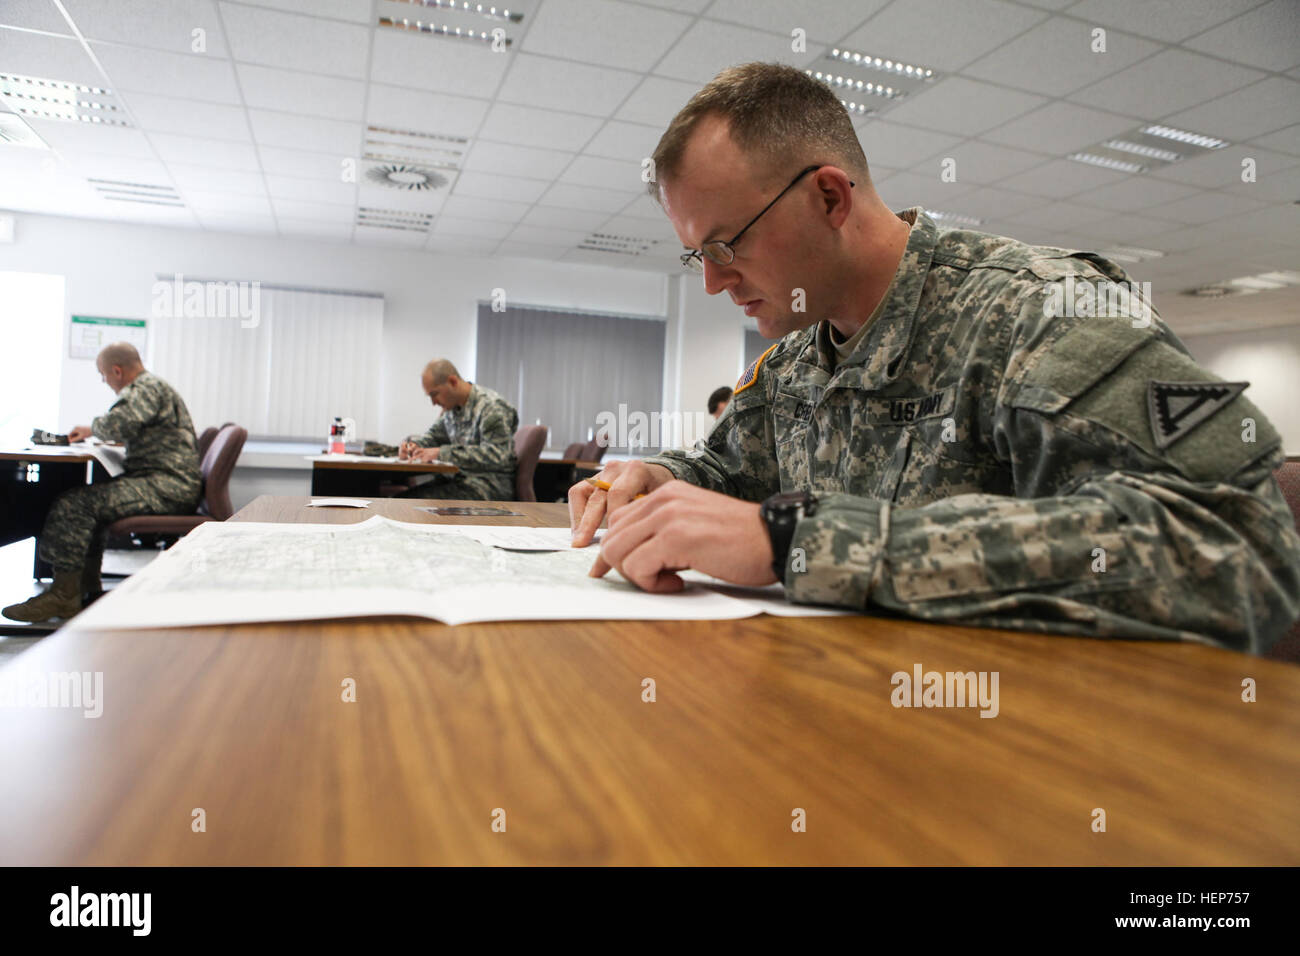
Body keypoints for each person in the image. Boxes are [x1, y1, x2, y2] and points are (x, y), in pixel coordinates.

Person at [568, 62, 1300, 654]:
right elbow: (729, 469)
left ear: (828, 196)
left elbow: (1242, 550)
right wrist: (658, 479)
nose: (713, 280)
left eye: (727, 245)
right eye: (698, 253)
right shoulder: (798, 358)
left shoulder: (1043, 313)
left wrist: (802, 541)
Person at [4, 343, 201, 623]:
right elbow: (131, 426)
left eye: (103, 375)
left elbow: (119, 424)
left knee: (75, 504)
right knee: (86, 501)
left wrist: (93, 427)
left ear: (117, 371)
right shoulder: (153, 387)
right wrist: (93, 430)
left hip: (166, 486)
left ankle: (63, 595)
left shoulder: (144, 388)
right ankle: (84, 588)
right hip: (167, 482)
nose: (105, 381)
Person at [397, 359, 518, 500]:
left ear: (453, 382)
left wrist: (441, 453)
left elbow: (499, 455)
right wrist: (411, 445)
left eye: (434, 394)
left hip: (488, 487)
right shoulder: (451, 410)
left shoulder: (491, 407)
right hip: (458, 481)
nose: (433, 402)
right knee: (401, 501)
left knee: (408, 505)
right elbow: (432, 437)